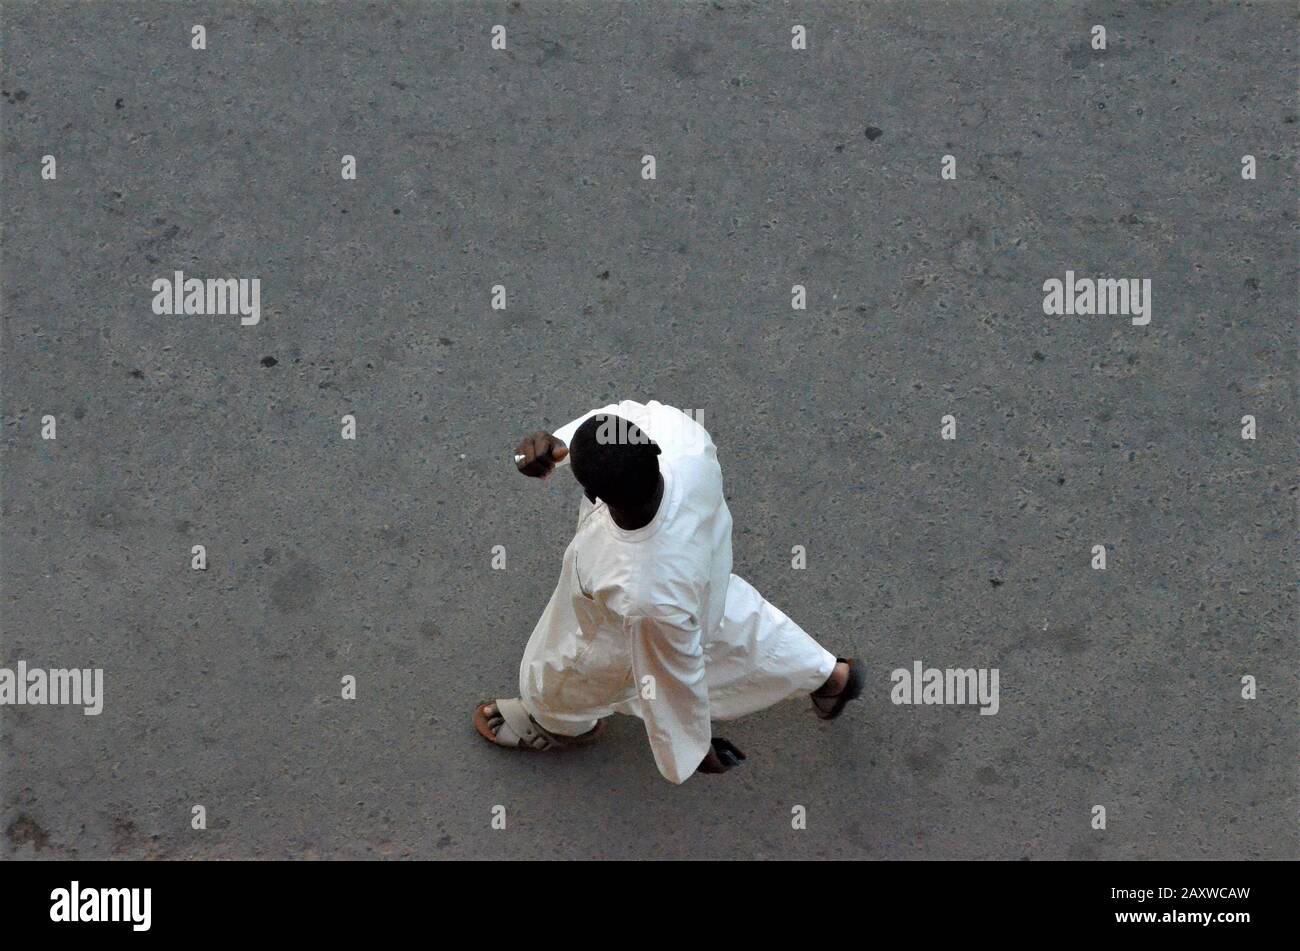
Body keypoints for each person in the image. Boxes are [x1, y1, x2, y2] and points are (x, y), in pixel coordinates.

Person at [474, 399, 862, 782]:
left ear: (595, 496)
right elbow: (624, 419)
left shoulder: (641, 591)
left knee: (565, 677)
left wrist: (691, 749)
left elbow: (668, 677)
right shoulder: (681, 438)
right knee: (737, 629)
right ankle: (829, 676)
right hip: (704, 576)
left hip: (624, 627)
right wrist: (557, 444)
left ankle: (553, 722)